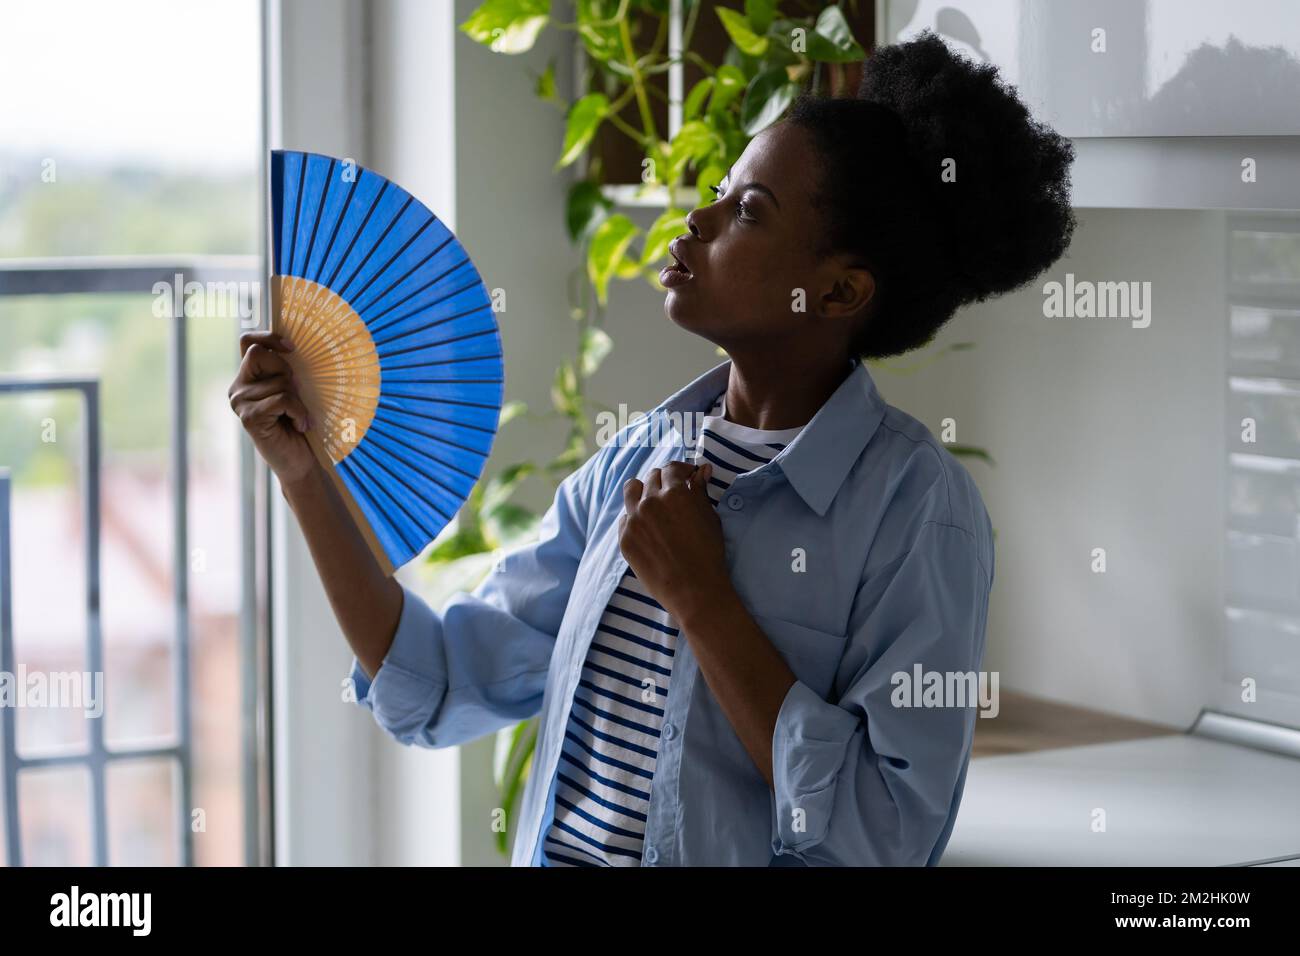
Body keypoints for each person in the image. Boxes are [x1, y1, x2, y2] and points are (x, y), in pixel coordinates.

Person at [229, 31, 1076, 866]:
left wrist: (703, 598)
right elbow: (437, 681)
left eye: (747, 210)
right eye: (718, 188)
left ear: (840, 289)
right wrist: (303, 473)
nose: (698, 216)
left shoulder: (916, 510)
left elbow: (882, 837)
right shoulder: (635, 460)